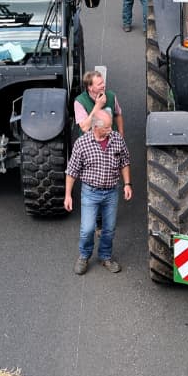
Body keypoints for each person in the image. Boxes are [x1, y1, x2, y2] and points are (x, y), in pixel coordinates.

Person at [64, 109, 131, 274]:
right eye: (107, 127)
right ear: (96, 127)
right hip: (90, 192)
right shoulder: (82, 143)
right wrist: (68, 195)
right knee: (87, 229)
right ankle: (84, 256)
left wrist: (127, 184)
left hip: (111, 192)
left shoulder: (116, 139)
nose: (111, 130)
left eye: (111, 126)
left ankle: (105, 257)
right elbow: (71, 171)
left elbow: (125, 161)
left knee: (109, 228)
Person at [75, 68, 124, 136]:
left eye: (103, 82)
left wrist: (121, 133)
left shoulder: (111, 96)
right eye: (99, 84)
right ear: (90, 87)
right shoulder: (80, 101)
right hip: (90, 142)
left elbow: (118, 114)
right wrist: (98, 106)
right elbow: (84, 128)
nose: (103, 85)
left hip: (110, 139)